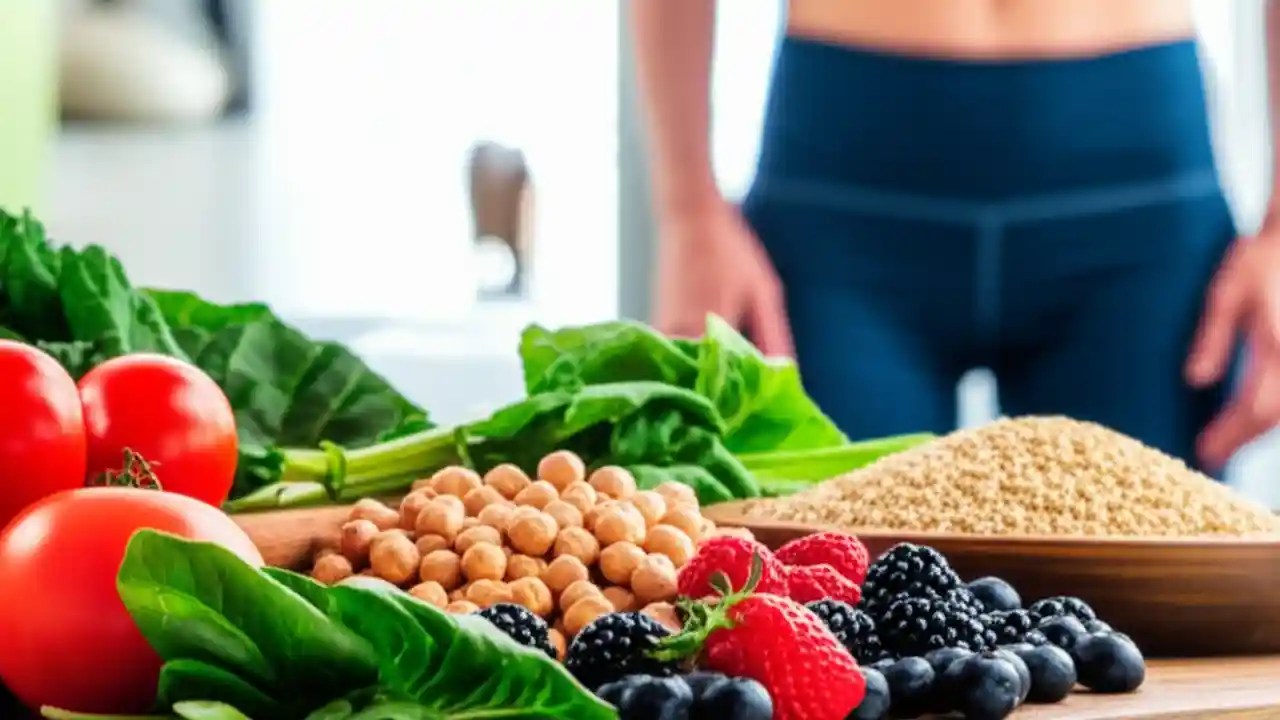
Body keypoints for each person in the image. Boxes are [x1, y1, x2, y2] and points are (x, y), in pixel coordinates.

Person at [630, 0, 1280, 471]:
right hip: (843, 199)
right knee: (827, 607)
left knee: (1153, 621)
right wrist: (689, 209)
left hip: (1135, 199)